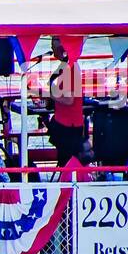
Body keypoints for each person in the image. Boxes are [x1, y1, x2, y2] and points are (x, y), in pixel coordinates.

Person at [47, 36, 86, 164]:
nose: (52, 50)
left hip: (69, 125)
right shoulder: (66, 66)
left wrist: (50, 95)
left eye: (53, 45)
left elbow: (69, 100)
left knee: (67, 161)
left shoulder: (70, 67)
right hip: (64, 122)